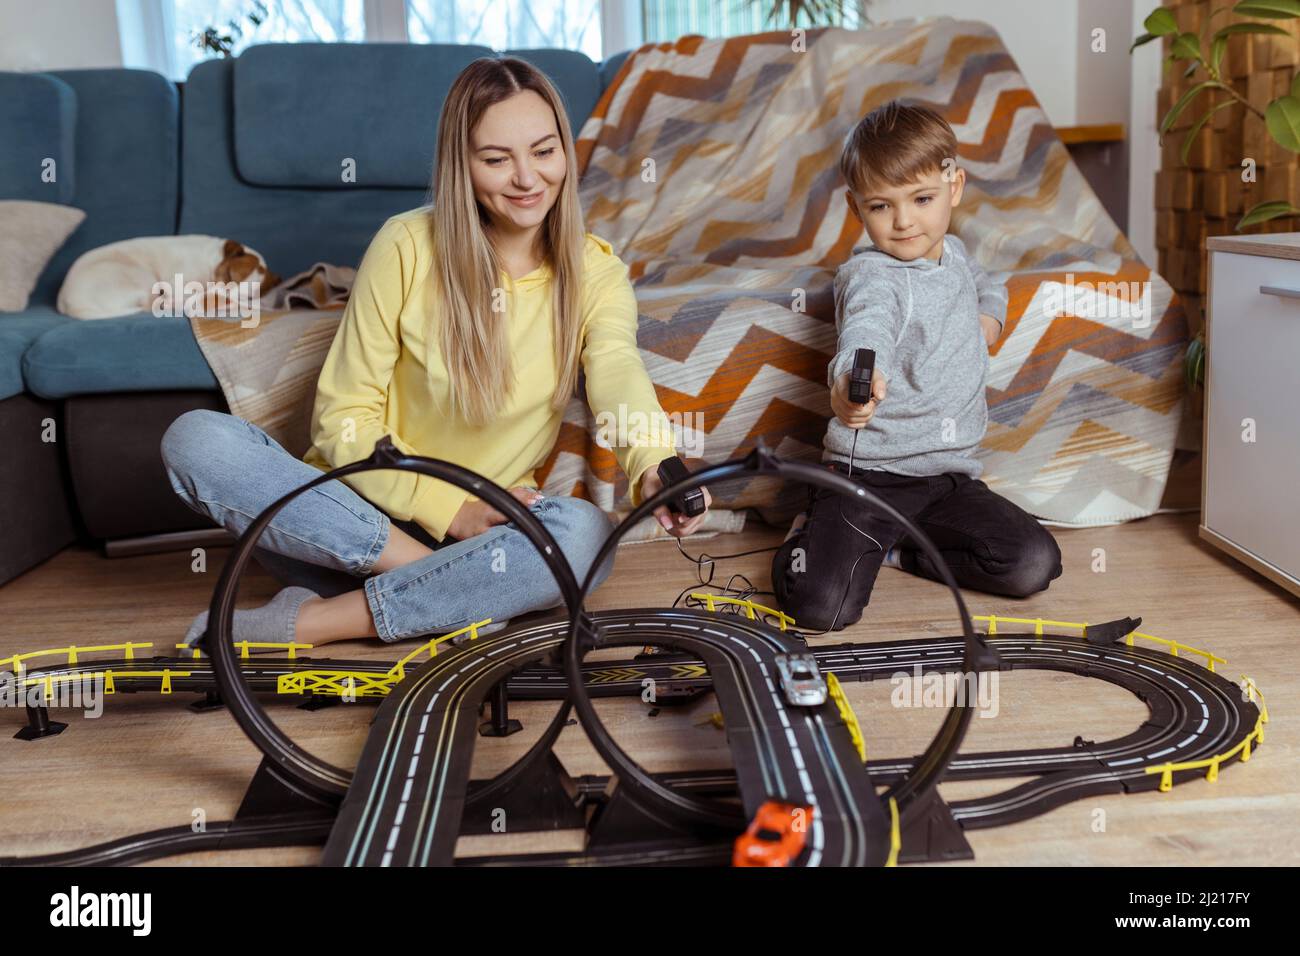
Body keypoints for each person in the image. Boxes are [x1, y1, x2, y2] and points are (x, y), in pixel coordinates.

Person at [161, 56, 710, 648]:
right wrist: (449, 512)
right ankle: (447, 597)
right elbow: (344, 417)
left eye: (544, 151)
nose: (527, 178)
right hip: (344, 527)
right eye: (497, 159)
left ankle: (314, 622)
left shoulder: (595, 271)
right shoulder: (406, 244)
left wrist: (654, 464)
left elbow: (617, 371)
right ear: (463, 165)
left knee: (584, 535)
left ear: (565, 154)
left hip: (486, 543)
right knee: (195, 439)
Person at [771, 101, 1061, 632]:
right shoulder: (872, 275)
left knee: (1033, 564)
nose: (904, 222)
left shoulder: (952, 252)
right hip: (869, 477)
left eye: (921, 199)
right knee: (822, 607)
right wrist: (847, 386)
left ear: (954, 187)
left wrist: (987, 322)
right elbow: (866, 331)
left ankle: (898, 553)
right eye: (882, 207)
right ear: (857, 209)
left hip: (946, 480)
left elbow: (987, 281)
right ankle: (808, 535)